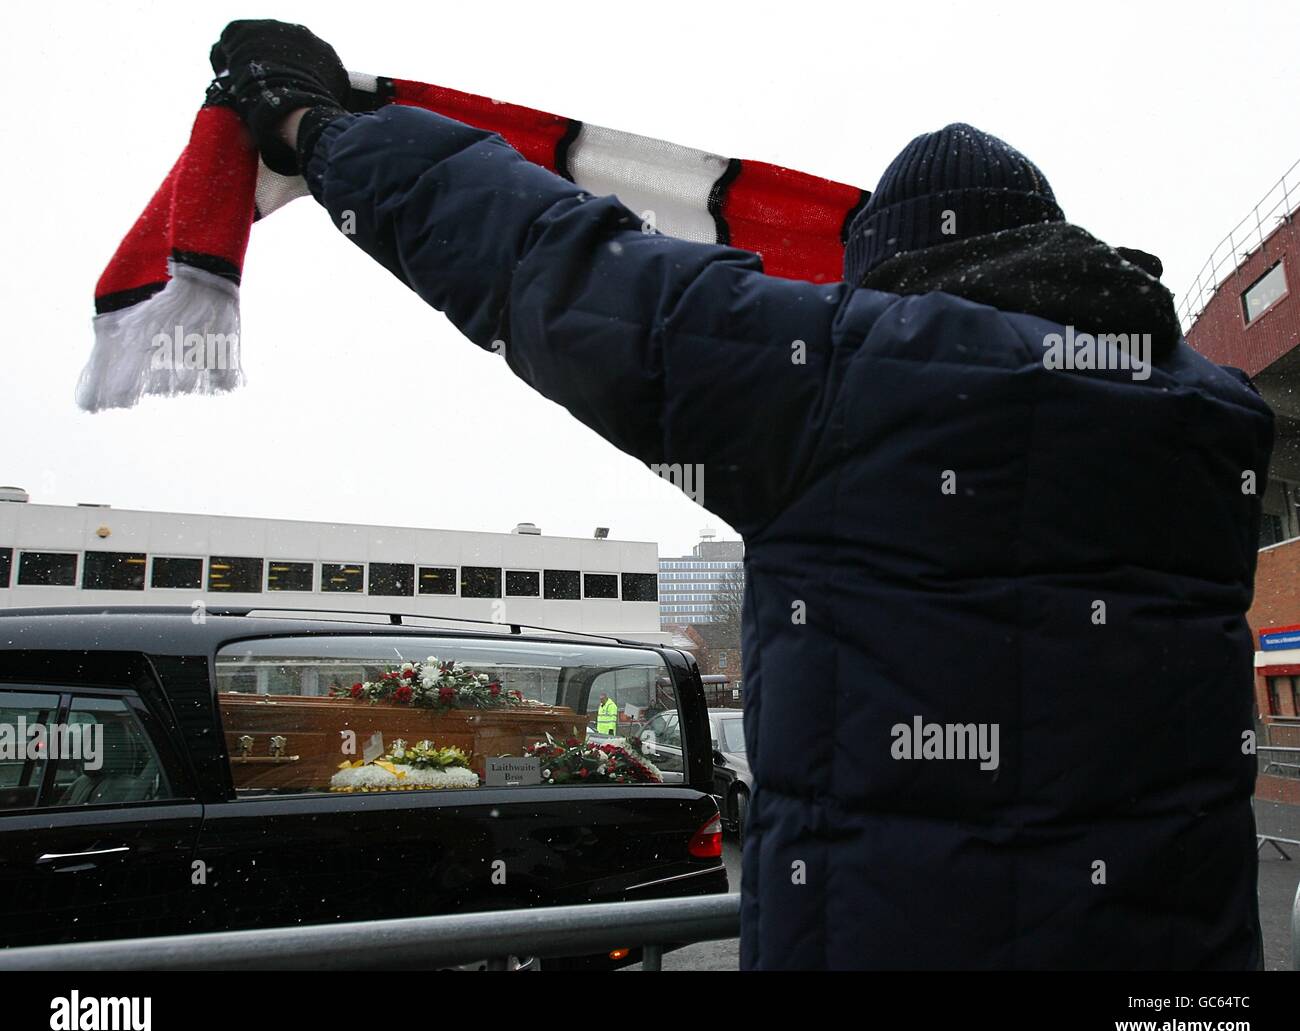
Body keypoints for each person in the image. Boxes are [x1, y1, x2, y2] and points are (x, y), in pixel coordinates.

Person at [210, 21, 1274, 969]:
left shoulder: (841, 382)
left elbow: (551, 264)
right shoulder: (1207, 416)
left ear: (883, 274)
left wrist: (321, 130)